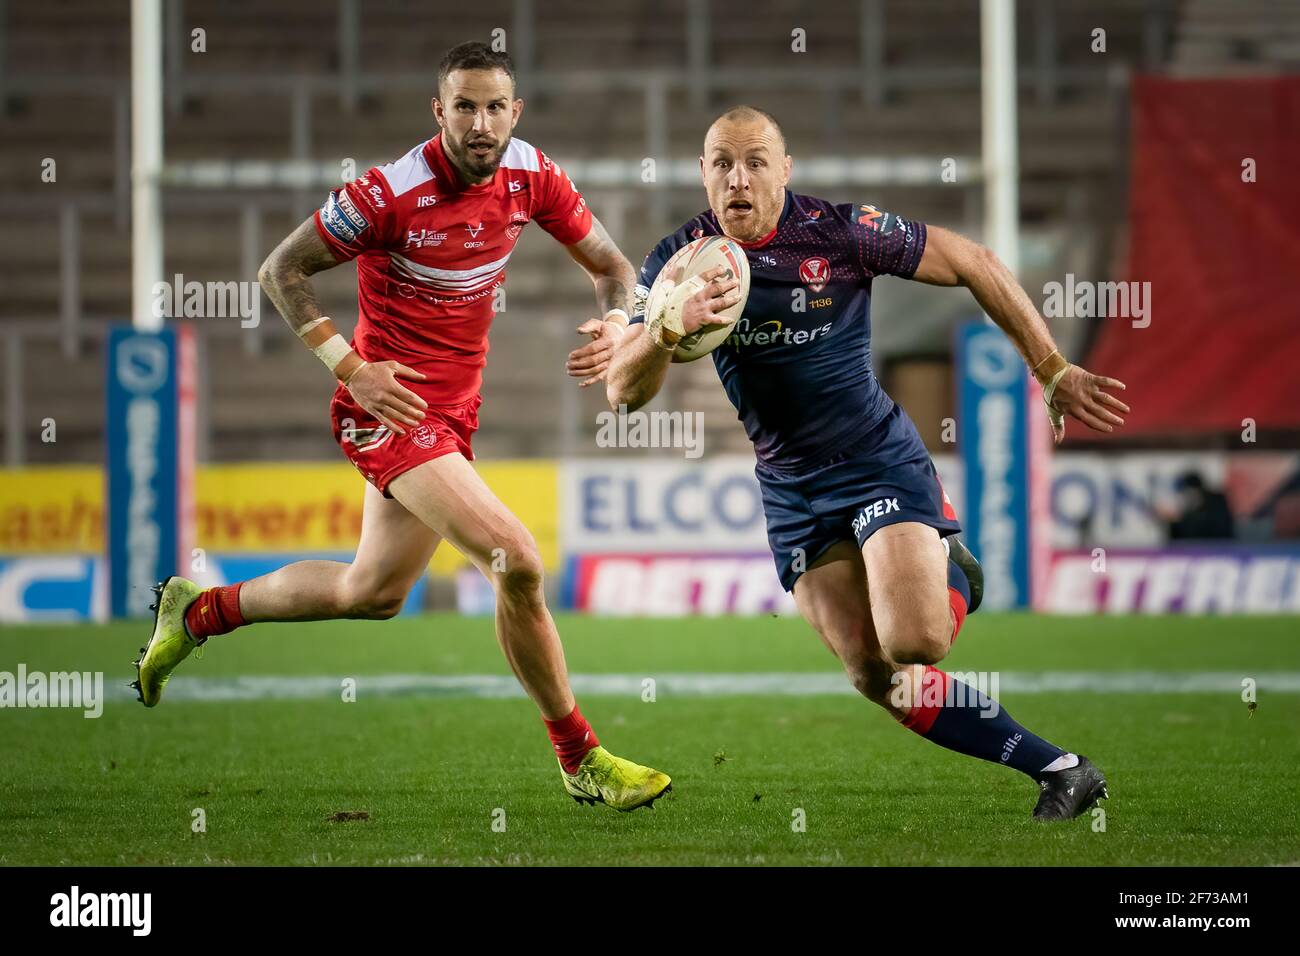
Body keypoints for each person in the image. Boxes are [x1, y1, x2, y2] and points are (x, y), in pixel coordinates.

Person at [133, 42, 670, 812]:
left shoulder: (533, 175)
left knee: (372, 591)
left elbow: (616, 267)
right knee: (515, 559)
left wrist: (620, 322)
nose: (481, 124)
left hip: (450, 415)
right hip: (385, 408)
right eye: (464, 107)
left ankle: (198, 610)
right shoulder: (388, 192)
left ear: (515, 113)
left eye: (495, 108)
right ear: (438, 110)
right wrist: (353, 369)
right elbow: (280, 271)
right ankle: (580, 757)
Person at [607, 106, 1131, 820]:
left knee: (916, 642)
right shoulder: (676, 262)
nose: (738, 177)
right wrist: (670, 324)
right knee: (875, 674)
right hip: (790, 489)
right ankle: (1063, 770)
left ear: (784, 171)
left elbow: (975, 260)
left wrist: (1050, 368)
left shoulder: (842, 232)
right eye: (721, 162)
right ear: (703, 173)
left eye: (756, 160)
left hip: (876, 463)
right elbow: (623, 393)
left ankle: (949, 567)